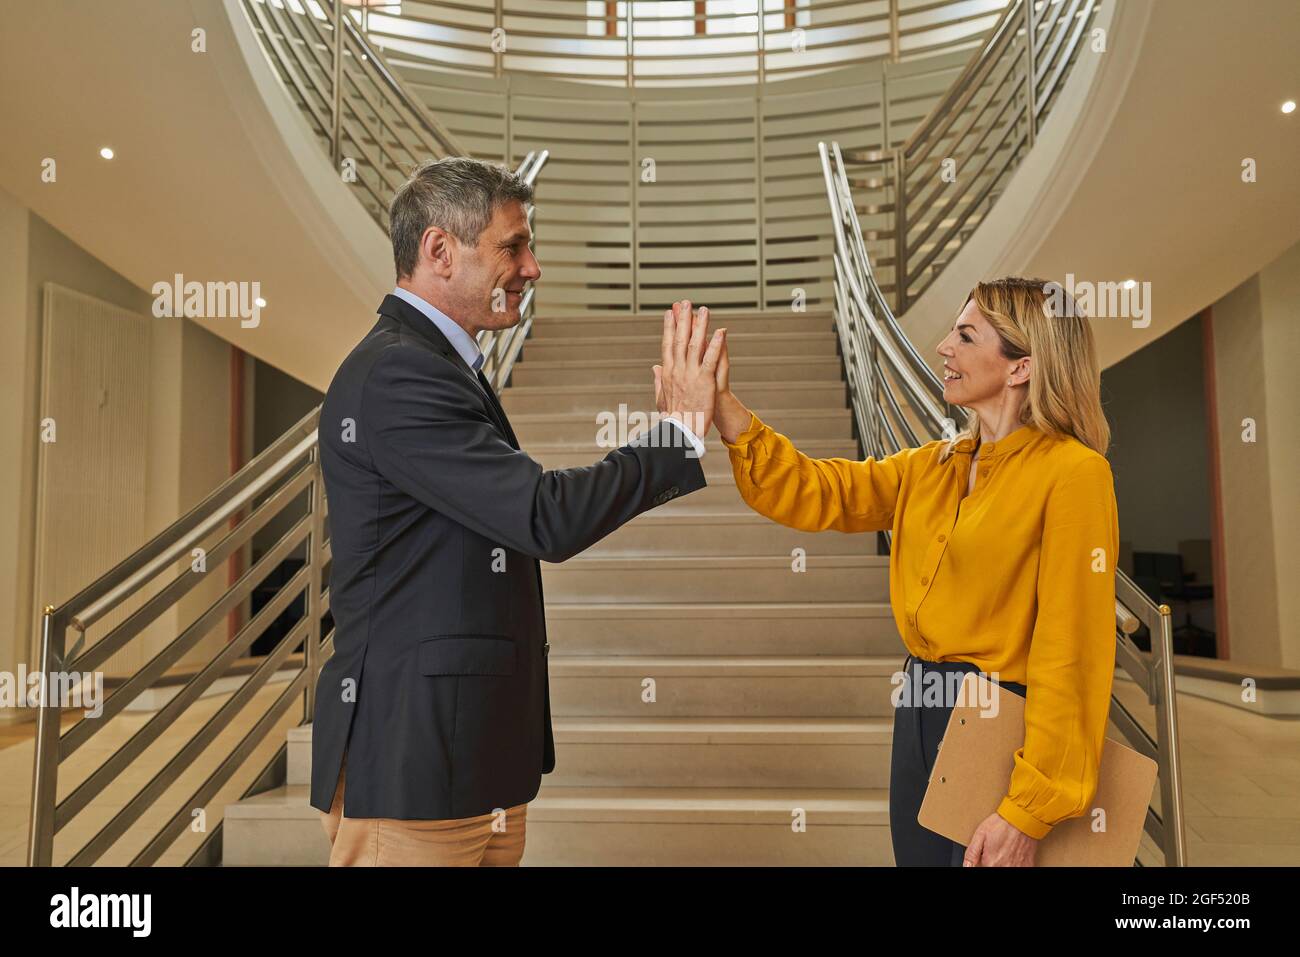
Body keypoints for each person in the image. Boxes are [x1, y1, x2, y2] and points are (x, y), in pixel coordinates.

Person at [310, 156, 725, 865]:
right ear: (439, 251)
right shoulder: (399, 371)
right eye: (513, 246)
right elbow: (542, 514)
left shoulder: (443, 366)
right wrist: (678, 434)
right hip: (415, 770)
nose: (532, 268)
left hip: (473, 767)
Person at [708, 277, 1120, 866]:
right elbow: (816, 491)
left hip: (1002, 719)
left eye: (965, 335)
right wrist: (728, 412)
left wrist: (1029, 810)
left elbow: (1072, 651)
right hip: (923, 705)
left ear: (1021, 366)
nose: (943, 347)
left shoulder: (1073, 474)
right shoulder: (935, 465)